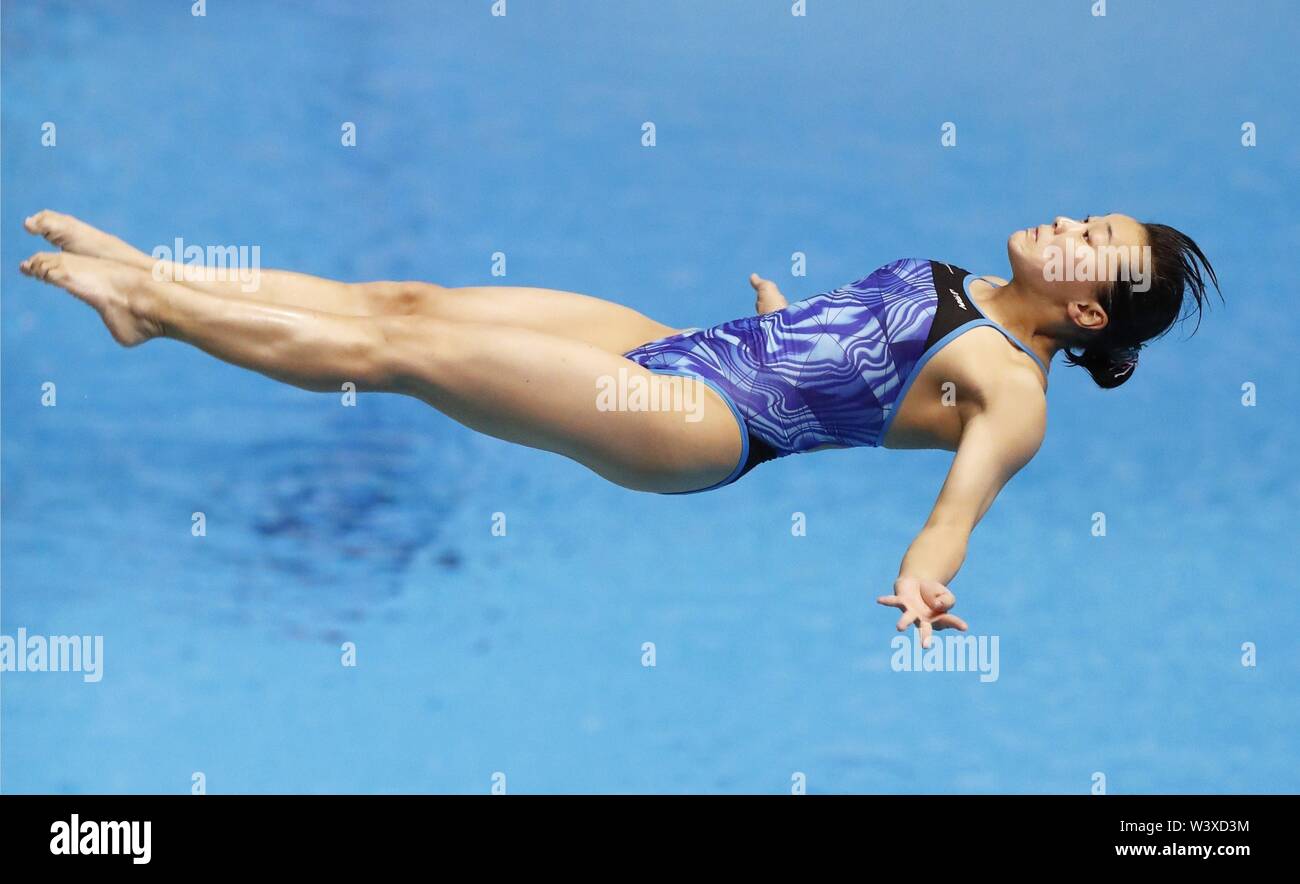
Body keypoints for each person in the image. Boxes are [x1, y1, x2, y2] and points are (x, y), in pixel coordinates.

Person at [20, 210, 1219, 646]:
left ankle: (156, 308)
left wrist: (922, 584)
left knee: (404, 355)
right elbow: (856, 346)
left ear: (1082, 307)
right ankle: (164, 278)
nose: (1064, 220)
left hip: (698, 421)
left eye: (1088, 242)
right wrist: (792, 323)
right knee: (410, 305)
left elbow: (953, 515)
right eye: (1085, 211)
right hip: (688, 345)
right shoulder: (959, 274)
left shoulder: (1015, 391)